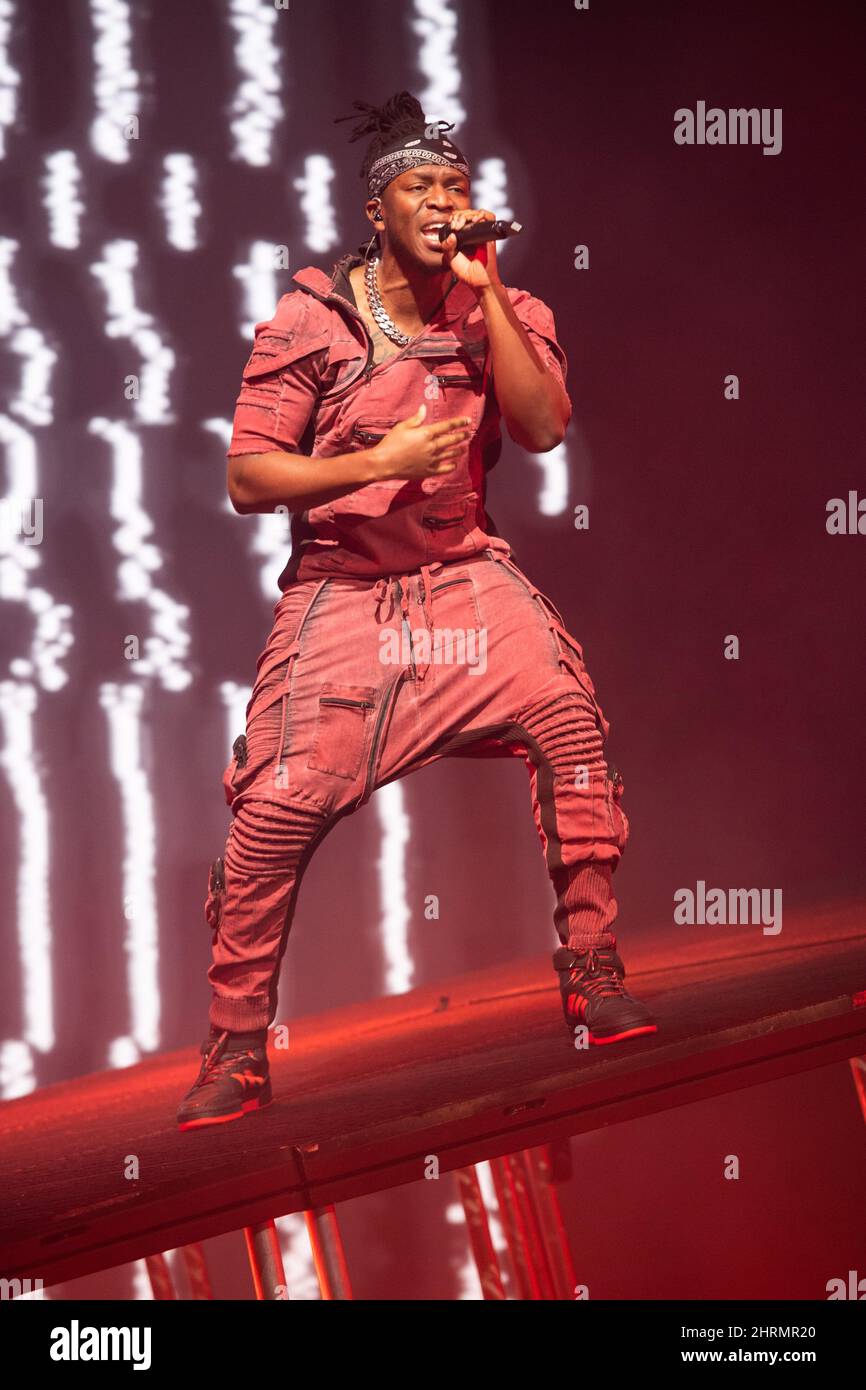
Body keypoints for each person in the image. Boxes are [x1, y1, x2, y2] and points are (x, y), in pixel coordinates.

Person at [176, 91, 656, 1132]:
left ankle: (589, 966)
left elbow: (540, 429)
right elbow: (248, 479)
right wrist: (378, 459)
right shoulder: (312, 319)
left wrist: (485, 296)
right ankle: (235, 1044)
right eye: (422, 188)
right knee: (276, 807)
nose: (445, 203)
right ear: (376, 209)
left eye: (456, 187)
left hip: (461, 576)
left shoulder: (506, 309)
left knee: (567, 722)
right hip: (342, 593)